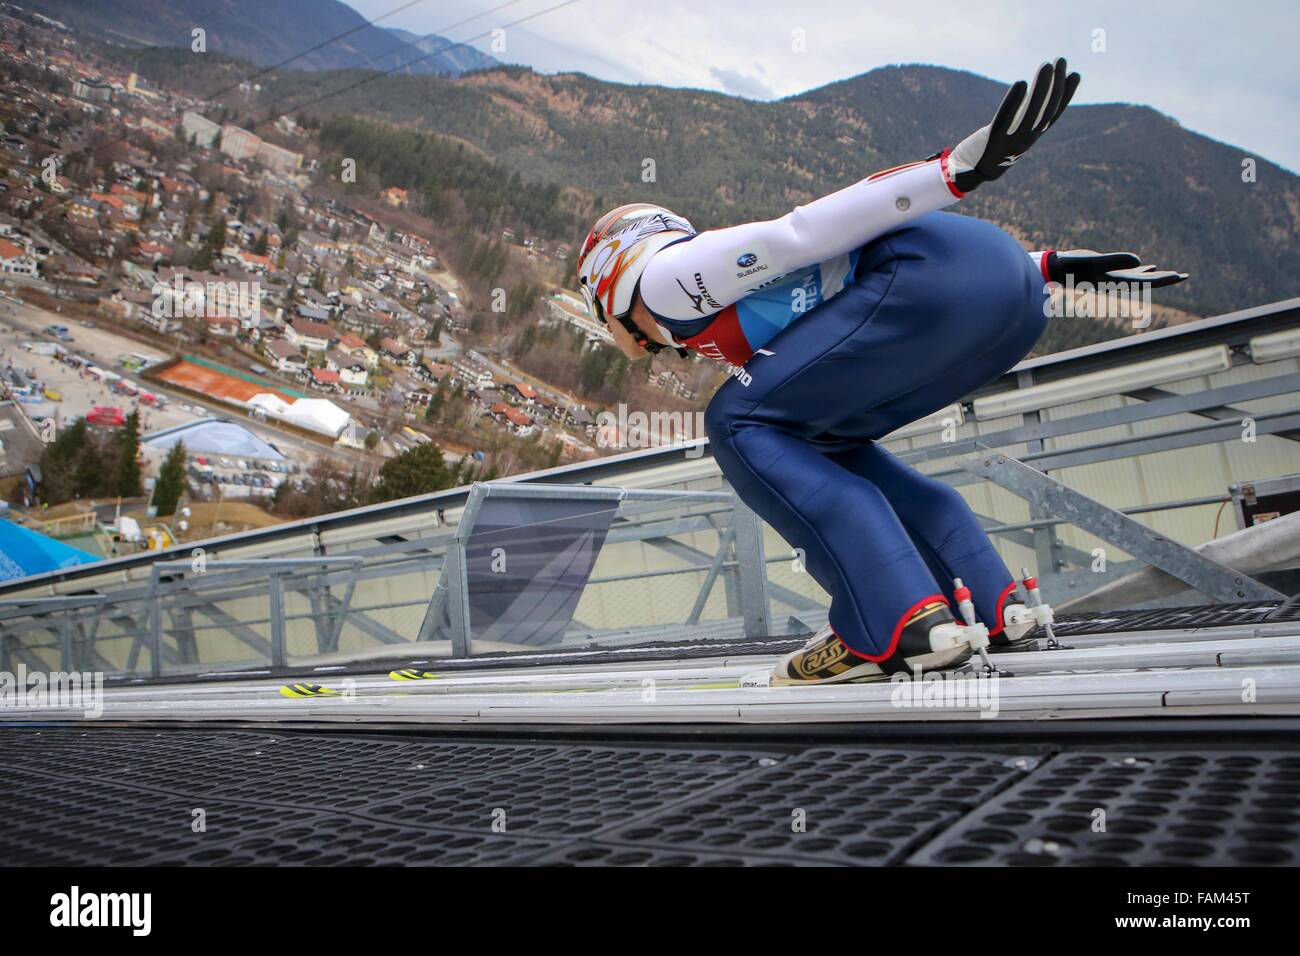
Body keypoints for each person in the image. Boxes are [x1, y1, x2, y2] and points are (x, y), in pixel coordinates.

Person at [575, 59, 1188, 685]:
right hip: (1002, 292)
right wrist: (1046, 268)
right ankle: (988, 606)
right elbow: (836, 267)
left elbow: (801, 234)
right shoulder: (707, 303)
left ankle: (892, 624)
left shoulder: (666, 285)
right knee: (820, 440)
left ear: (607, 284)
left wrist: (951, 171)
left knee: (735, 421)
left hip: (929, 279)